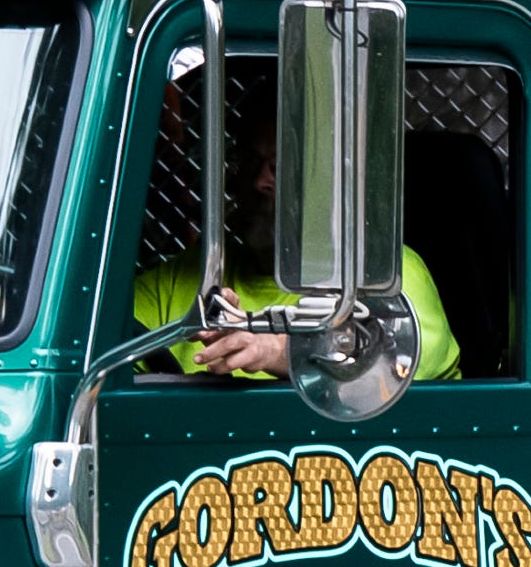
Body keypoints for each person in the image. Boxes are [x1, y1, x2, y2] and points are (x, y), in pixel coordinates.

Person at [129, 97, 462, 386]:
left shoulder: (386, 273)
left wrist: (279, 351)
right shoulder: (191, 277)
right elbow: (103, 337)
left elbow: (390, 370)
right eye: (250, 162)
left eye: (282, 167)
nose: (260, 181)